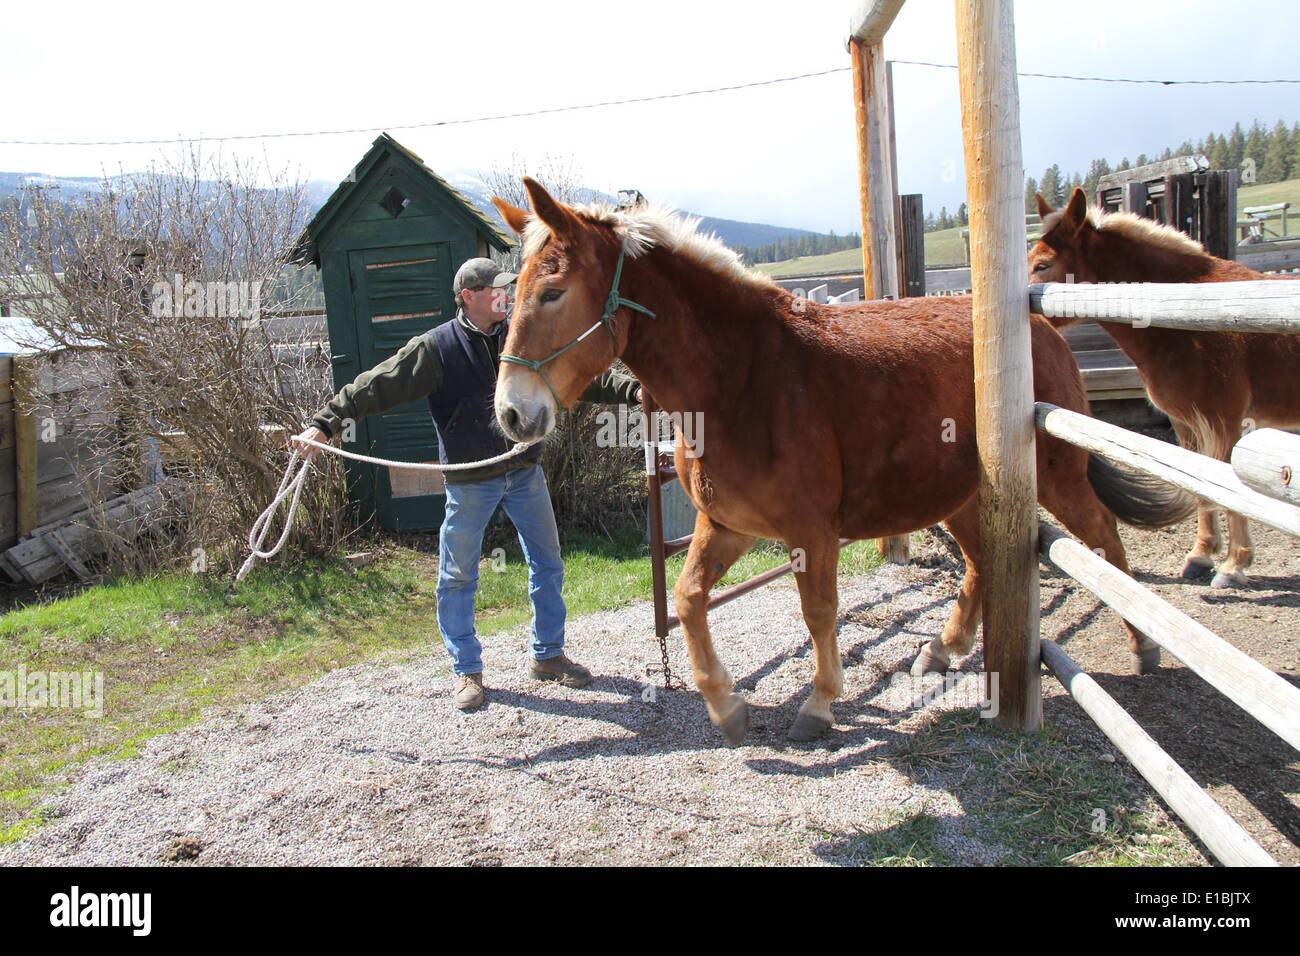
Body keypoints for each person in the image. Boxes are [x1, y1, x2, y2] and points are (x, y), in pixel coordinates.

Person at [292, 257, 641, 712]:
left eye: (507, 288)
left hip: (523, 470)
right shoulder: (435, 349)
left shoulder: (523, 336)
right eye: (495, 289)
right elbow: (376, 385)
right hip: (470, 482)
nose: (506, 296)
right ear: (468, 297)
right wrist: (325, 425)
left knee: (548, 562)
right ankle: (467, 672)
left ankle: (548, 656)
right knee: (458, 576)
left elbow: (579, 373)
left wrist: (632, 391)